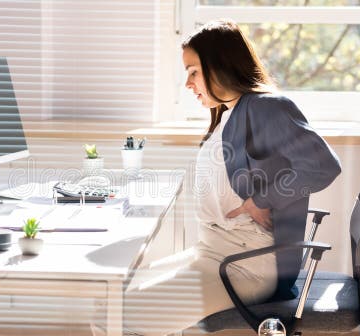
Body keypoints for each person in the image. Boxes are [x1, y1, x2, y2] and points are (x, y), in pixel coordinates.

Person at [91, 19, 341, 336]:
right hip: (213, 253)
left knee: (111, 320)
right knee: (111, 299)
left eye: (194, 71)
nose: (188, 84)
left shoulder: (266, 107)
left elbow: (324, 165)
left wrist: (263, 199)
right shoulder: (230, 112)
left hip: (243, 264)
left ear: (220, 66)